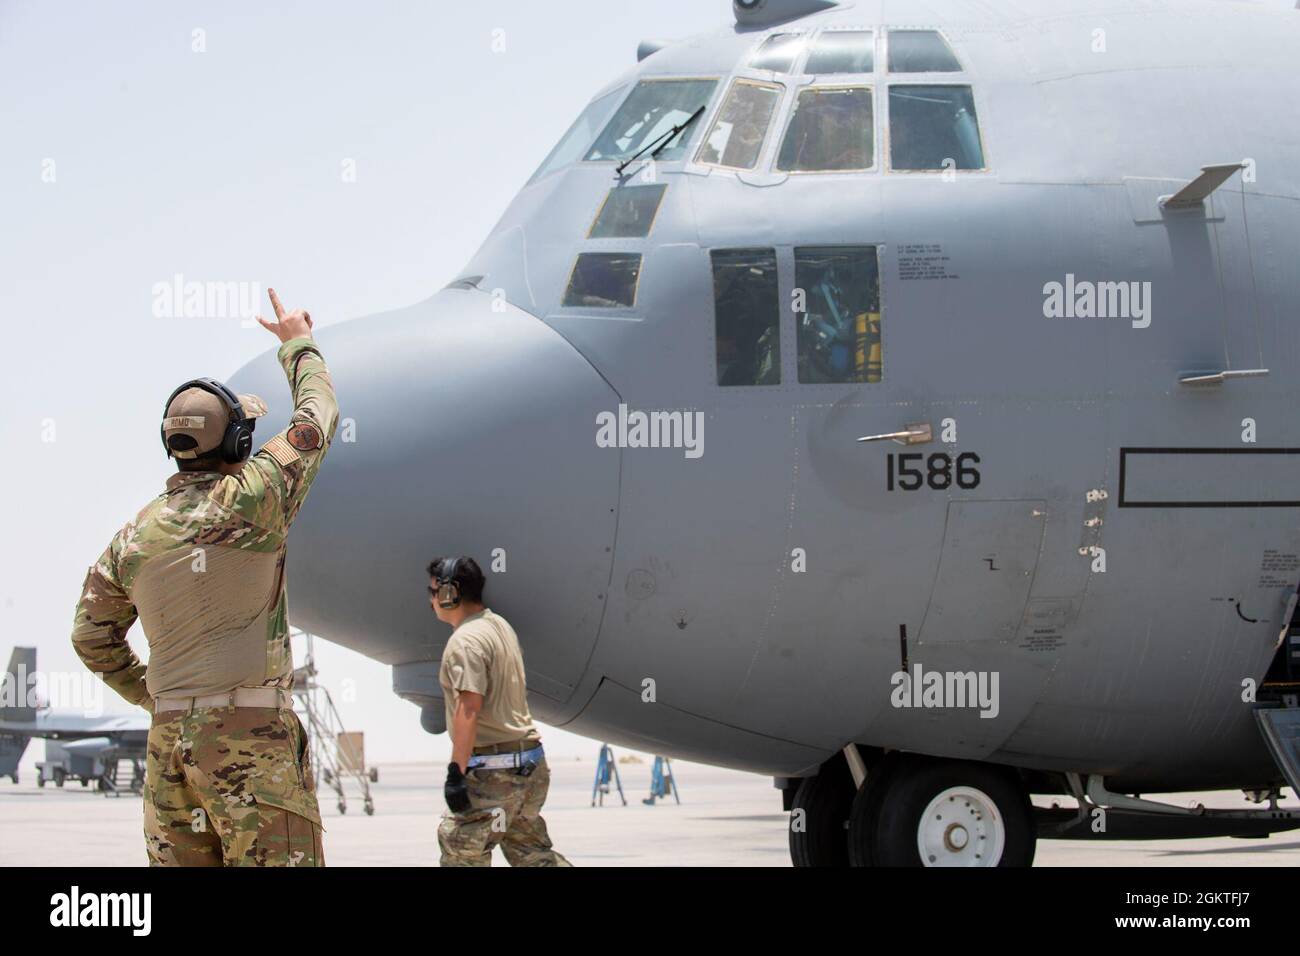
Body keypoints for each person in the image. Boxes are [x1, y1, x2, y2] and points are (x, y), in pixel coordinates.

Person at [70, 288, 338, 866]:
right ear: (239, 442)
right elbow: (318, 418)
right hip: (252, 744)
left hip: (169, 749)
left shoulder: (134, 536)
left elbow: (90, 636)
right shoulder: (252, 500)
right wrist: (298, 344)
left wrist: (154, 696)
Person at [430, 556, 571, 867]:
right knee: (532, 854)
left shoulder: (465, 642)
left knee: (461, 849)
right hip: (530, 766)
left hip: (496, 772)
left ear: (448, 594)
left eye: (433, 592)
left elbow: (469, 706)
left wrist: (456, 773)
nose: (431, 600)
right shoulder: (499, 626)